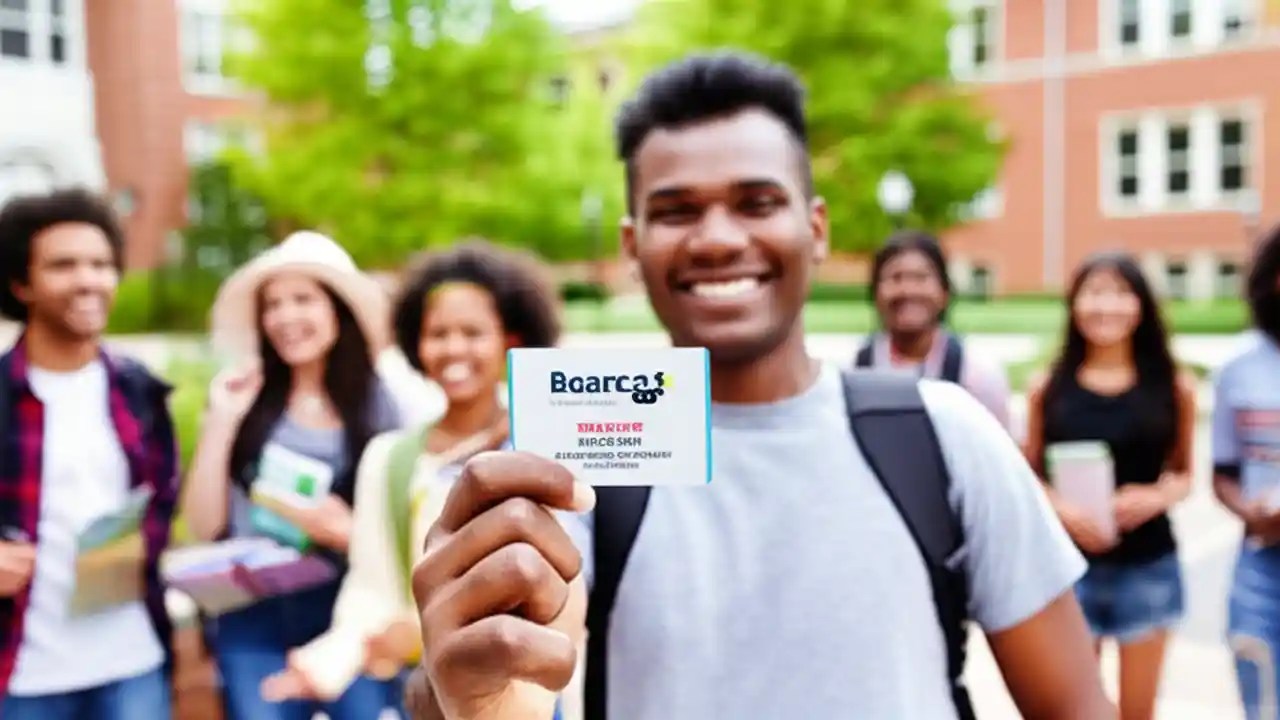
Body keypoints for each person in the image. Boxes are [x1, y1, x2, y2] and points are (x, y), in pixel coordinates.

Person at [404, 51, 1113, 720]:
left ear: (816, 228)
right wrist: (460, 687)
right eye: (677, 210)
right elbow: (502, 684)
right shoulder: (567, 456)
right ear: (630, 246)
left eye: (757, 201)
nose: (716, 238)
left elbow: (1075, 707)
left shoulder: (944, 433)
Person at [257, 240, 562, 715]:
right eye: (437, 333)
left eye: (472, 332)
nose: (452, 349)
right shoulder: (390, 459)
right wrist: (331, 659)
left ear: (512, 341)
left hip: (526, 694)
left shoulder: (541, 452)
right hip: (424, 695)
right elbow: (370, 586)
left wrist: (420, 631)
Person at [181, 231, 404, 719]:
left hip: (349, 616)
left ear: (338, 311)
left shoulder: (385, 409)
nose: (285, 318)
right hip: (252, 617)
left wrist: (348, 534)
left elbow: (407, 542)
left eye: (303, 299)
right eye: (273, 305)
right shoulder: (243, 397)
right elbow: (203, 526)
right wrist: (221, 419)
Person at [0, 188, 179, 718]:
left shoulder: (141, 390)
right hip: (24, 677)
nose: (89, 280)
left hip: (132, 664)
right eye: (64, 265)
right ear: (20, 284)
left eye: (102, 264)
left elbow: (163, 511)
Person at [1023, 252, 1196, 720]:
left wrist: (1155, 496)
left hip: (1148, 569)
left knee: (1137, 713)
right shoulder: (1047, 387)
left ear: (1141, 305)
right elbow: (1027, 474)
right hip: (1067, 570)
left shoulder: (1174, 386)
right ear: (1075, 304)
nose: (1107, 306)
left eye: (1121, 292)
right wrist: (1060, 507)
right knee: (1074, 710)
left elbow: (1183, 473)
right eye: (1094, 292)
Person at [1213, 223, 1280, 720]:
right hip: (1262, 570)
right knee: (1262, 706)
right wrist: (1250, 513)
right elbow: (1222, 472)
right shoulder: (1240, 367)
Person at [856, 230, 1012, 429]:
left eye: (920, 278)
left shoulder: (978, 375)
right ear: (875, 293)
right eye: (896, 277)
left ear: (945, 292)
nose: (908, 290)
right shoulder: (854, 369)